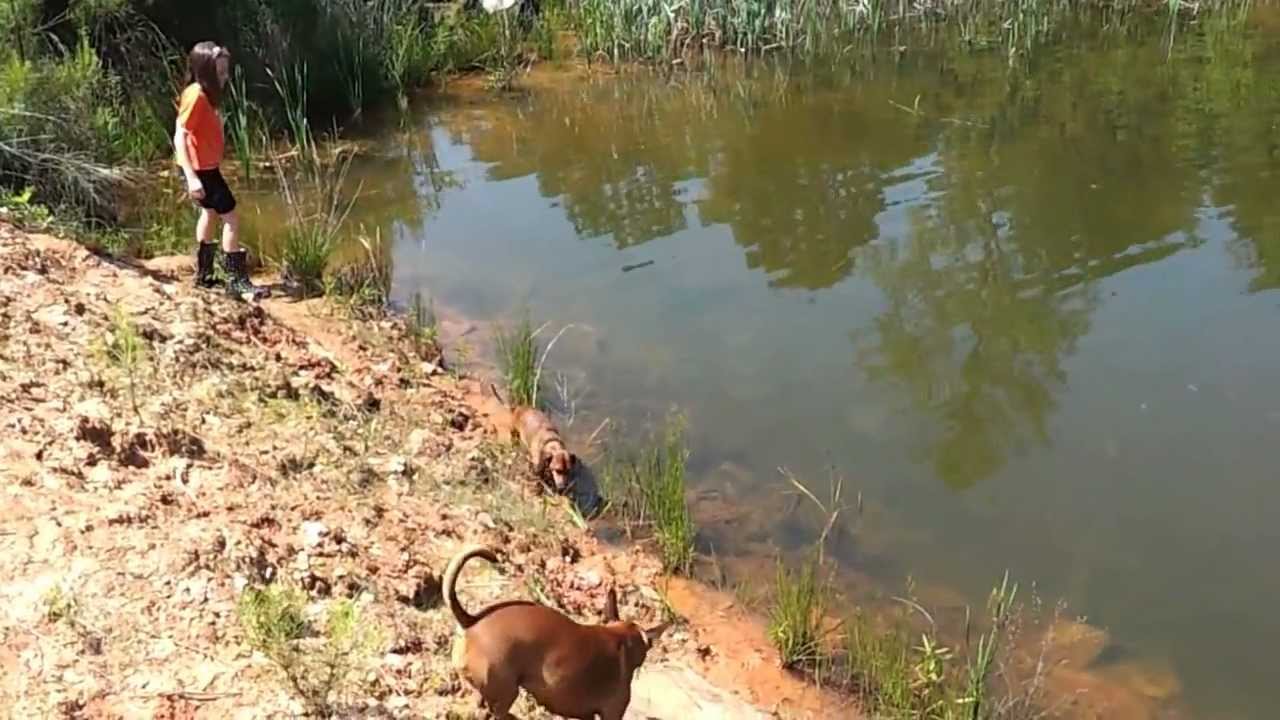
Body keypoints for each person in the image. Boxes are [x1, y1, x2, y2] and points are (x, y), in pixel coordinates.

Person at [174, 41, 267, 300]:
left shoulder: (203, 94)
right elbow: (179, 135)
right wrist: (192, 178)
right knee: (232, 218)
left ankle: (204, 276)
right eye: (220, 72)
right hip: (201, 171)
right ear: (205, 71)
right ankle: (236, 281)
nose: (225, 77)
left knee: (210, 213)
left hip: (205, 168)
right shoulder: (197, 97)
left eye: (226, 71)